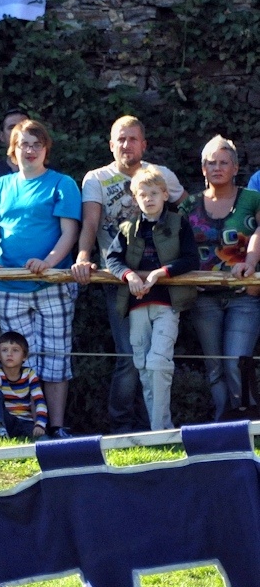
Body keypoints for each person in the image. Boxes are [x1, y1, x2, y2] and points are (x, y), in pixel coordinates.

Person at [70, 115, 187, 433]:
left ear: (143, 144)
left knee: (156, 357)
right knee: (128, 356)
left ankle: (153, 424)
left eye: (133, 139)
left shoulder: (160, 175)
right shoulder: (96, 178)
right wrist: (83, 256)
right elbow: (91, 223)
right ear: (111, 145)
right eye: (120, 139)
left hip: (161, 282)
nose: (126, 144)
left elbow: (188, 213)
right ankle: (123, 426)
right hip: (119, 280)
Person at [0, 119, 81, 438]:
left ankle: (55, 427)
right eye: (24, 144)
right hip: (10, 285)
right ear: (13, 150)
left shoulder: (62, 184)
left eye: (37, 144)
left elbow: (70, 232)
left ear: (46, 149)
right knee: (15, 360)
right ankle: (18, 427)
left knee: (55, 359)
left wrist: (48, 263)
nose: (31, 150)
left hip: (53, 285)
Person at [105, 167, 198, 431]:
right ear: (135, 198)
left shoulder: (180, 223)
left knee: (159, 363)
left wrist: (161, 272)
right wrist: (129, 276)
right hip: (136, 304)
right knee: (143, 366)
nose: (149, 199)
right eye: (142, 194)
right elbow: (112, 258)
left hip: (168, 303)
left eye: (154, 193)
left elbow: (191, 259)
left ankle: (162, 428)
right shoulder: (127, 229)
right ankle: (157, 432)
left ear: (165, 194)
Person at [180, 135, 260, 419]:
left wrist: (250, 264)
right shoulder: (189, 206)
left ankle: (245, 420)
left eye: (224, 162)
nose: (217, 167)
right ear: (203, 169)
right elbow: (175, 243)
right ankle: (221, 424)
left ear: (235, 168)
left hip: (244, 297)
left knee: (237, 362)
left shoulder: (253, 199)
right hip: (203, 298)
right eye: (211, 163)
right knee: (214, 365)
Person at [0, 331, 47, 439]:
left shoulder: (29, 374)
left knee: (44, 441)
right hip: (6, 421)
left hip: (26, 422)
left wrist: (40, 424)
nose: (9, 354)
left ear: (24, 356)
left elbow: (39, 400)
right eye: (4, 350)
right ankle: (0, 430)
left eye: (15, 350)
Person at [0, 108, 29, 179]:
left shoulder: (50, 173)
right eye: (12, 128)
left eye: (23, 127)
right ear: (2, 136)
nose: (17, 131)